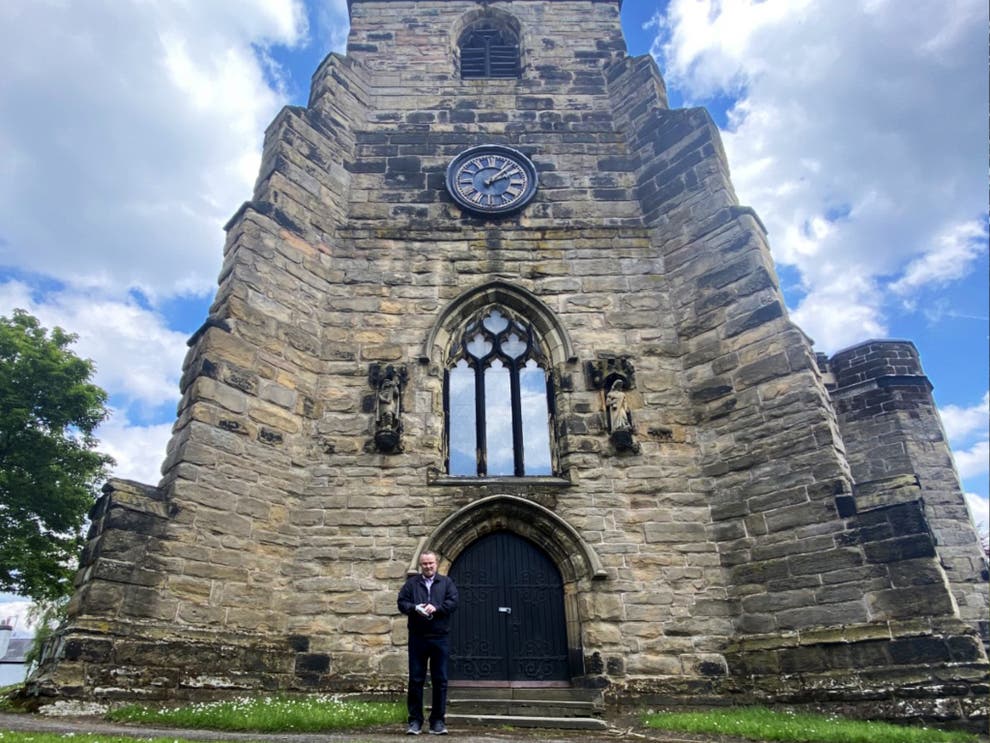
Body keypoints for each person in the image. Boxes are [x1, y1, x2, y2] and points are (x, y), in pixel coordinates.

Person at [397, 550, 459, 735]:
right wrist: (414, 607)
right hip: (418, 637)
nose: (428, 566)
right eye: (424, 563)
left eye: (431, 563)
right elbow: (401, 602)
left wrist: (437, 608)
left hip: (440, 637)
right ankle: (415, 721)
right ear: (420, 565)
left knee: (440, 680)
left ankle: (437, 722)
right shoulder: (411, 584)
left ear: (436, 563)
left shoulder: (446, 583)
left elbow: (453, 602)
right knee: (416, 679)